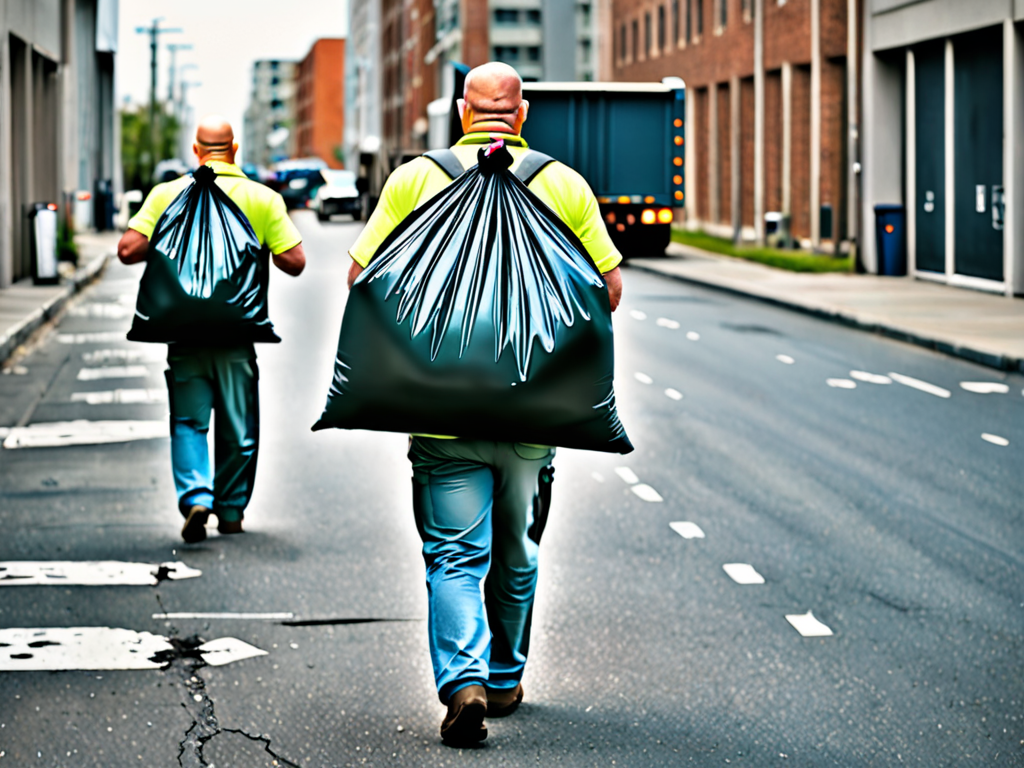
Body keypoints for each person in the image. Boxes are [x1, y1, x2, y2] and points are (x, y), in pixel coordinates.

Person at [346, 62, 623, 747]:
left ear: (463, 113)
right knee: (518, 551)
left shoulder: (418, 178)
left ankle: (463, 682)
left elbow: (361, 277)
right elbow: (609, 291)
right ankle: (503, 679)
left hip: (442, 410)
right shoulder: (562, 183)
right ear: (521, 113)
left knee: (453, 556)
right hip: (533, 411)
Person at [117, 115, 306, 543]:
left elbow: (128, 250)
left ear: (196, 152)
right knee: (239, 427)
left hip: (183, 334)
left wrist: (168, 234)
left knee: (188, 420)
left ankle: (196, 495)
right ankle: (232, 511)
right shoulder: (262, 198)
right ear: (234, 151)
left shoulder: (168, 194)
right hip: (237, 334)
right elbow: (294, 262)